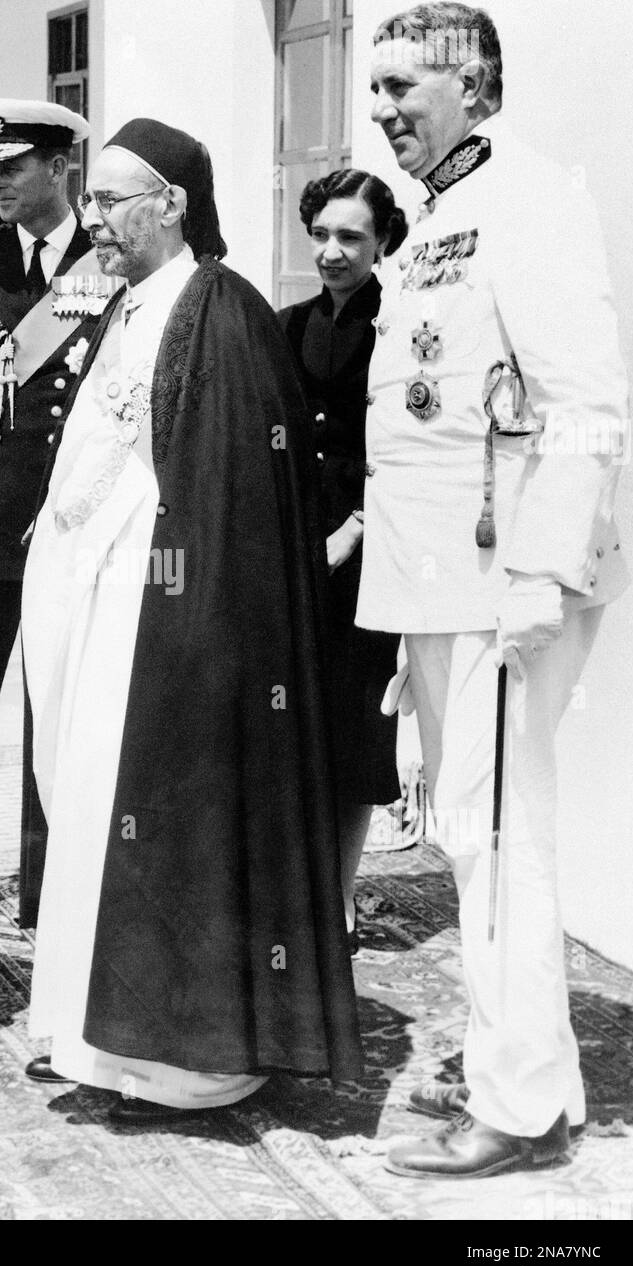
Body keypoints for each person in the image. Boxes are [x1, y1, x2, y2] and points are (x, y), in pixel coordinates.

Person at [21, 117, 363, 1125]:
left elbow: (228, 506)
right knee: (91, 813)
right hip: (113, 619)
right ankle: (106, 1041)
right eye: (87, 200)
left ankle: (190, 1062)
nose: (92, 219)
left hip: (180, 632)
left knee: (176, 829)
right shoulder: (131, 308)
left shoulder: (218, 310)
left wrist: (188, 631)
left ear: (169, 203)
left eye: (110, 200)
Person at [360, 3, 629, 1177]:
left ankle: (517, 1113)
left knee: (496, 841)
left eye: (400, 90)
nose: (380, 111)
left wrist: (535, 572)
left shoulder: (524, 201)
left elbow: (583, 404)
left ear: (470, 90)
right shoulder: (436, 222)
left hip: (501, 586)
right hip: (438, 587)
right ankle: (534, 1087)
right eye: (372, 90)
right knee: (479, 840)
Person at [0, 98, 111, 926]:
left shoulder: (108, 261)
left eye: (11, 167)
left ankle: (50, 897)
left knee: (62, 713)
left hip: (74, 519)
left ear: (60, 168)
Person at [277, 170, 408, 951]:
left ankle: (337, 896)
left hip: (371, 556)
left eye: (350, 237)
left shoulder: (403, 325)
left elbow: (406, 451)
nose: (331, 251)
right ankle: (294, 885)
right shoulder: (285, 326)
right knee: (293, 718)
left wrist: (351, 532)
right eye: (321, 234)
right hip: (297, 554)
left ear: (381, 243)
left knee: (355, 724)